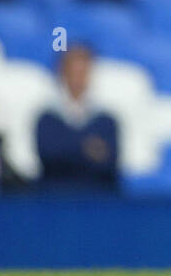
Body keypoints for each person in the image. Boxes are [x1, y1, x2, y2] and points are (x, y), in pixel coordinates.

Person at [34, 46, 120, 193]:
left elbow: (109, 163)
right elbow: (49, 157)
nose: (79, 78)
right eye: (73, 72)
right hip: (56, 198)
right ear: (63, 74)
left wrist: (66, 145)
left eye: (83, 72)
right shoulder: (48, 117)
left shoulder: (106, 120)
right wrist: (88, 147)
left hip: (98, 198)